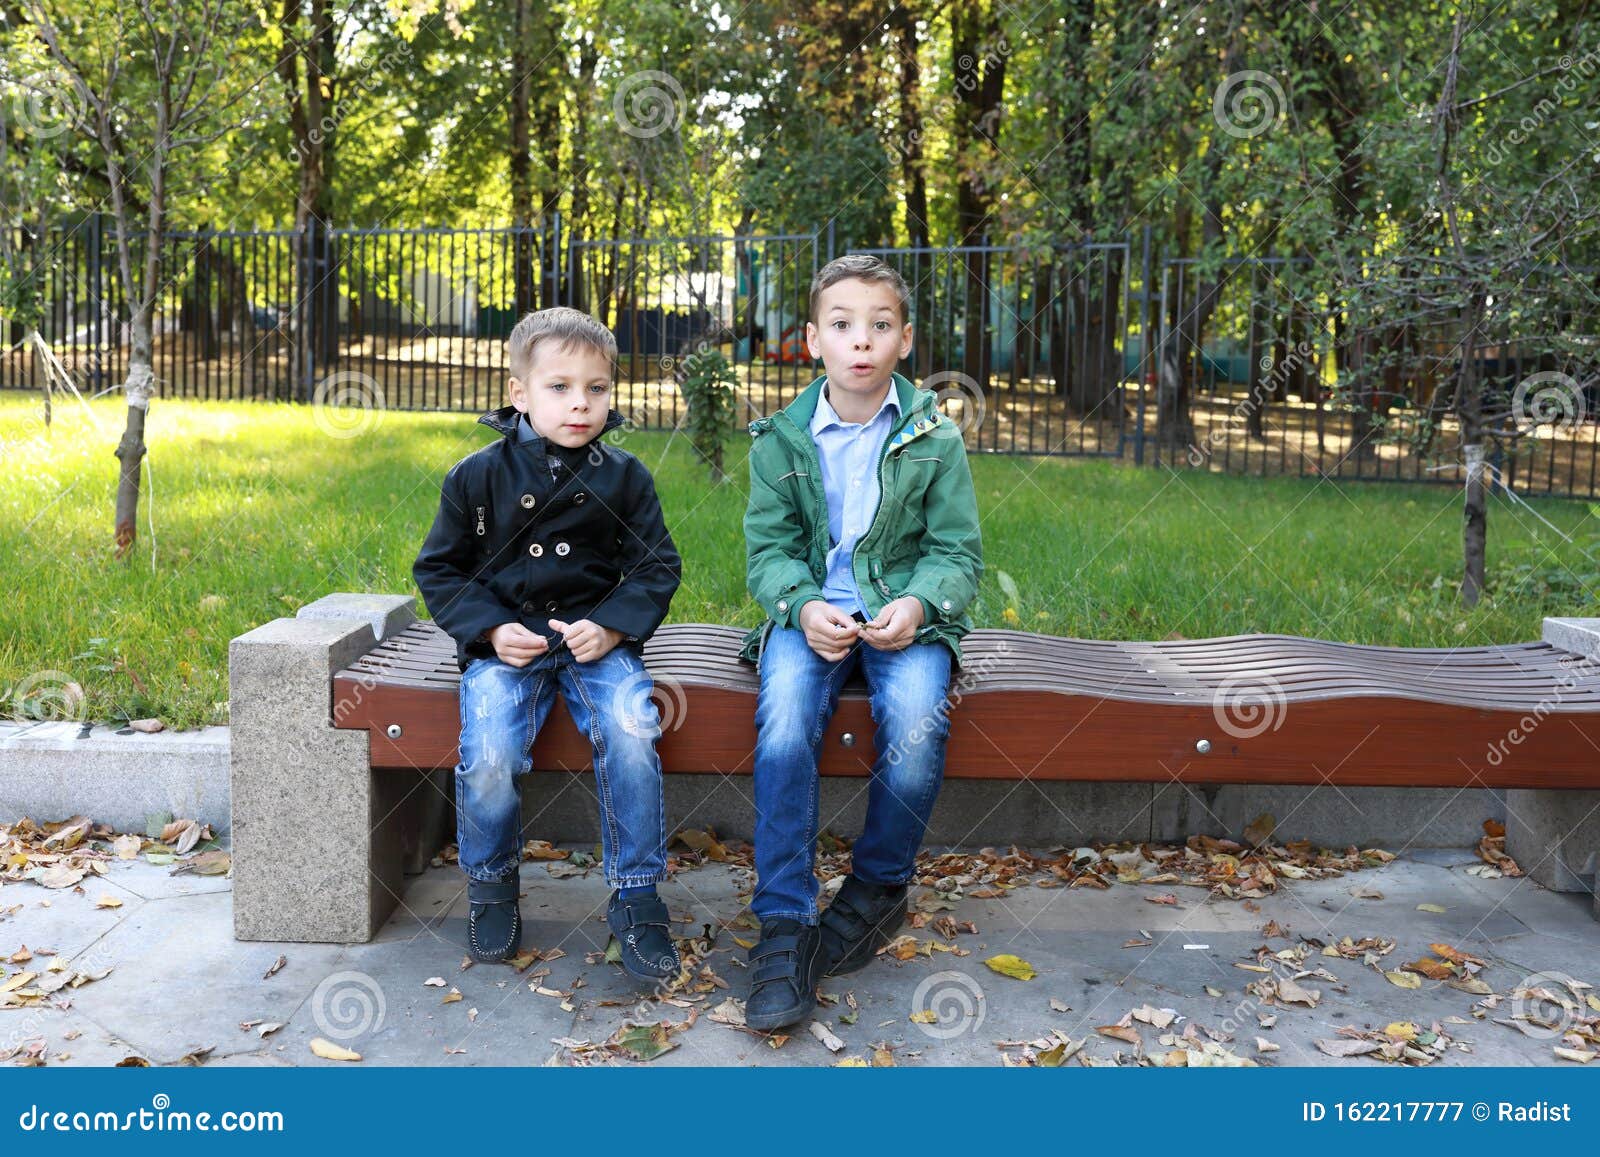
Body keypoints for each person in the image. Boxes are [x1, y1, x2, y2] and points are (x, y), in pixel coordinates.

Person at [738, 254, 984, 1030]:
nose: (861, 341)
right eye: (842, 325)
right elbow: (768, 553)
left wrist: (917, 603)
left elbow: (957, 553)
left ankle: (878, 887)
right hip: (809, 618)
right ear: (813, 339)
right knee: (782, 721)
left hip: (903, 618)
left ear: (904, 340)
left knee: (915, 715)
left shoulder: (933, 438)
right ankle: (782, 916)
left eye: (880, 326)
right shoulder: (779, 439)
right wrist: (802, 604)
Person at [413, 306, 681, 982]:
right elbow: (439, 568)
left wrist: (615, 625)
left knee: (630, 728)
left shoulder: (624, 476)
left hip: (594, 638)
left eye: (596, 388)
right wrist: (492, 628)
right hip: (509, 641)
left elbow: (656, 565)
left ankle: (638, 896)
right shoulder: (475, 477)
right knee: (492, 746)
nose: (580, 403)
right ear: (520, 393)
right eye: (559, 387)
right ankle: (492, 883)